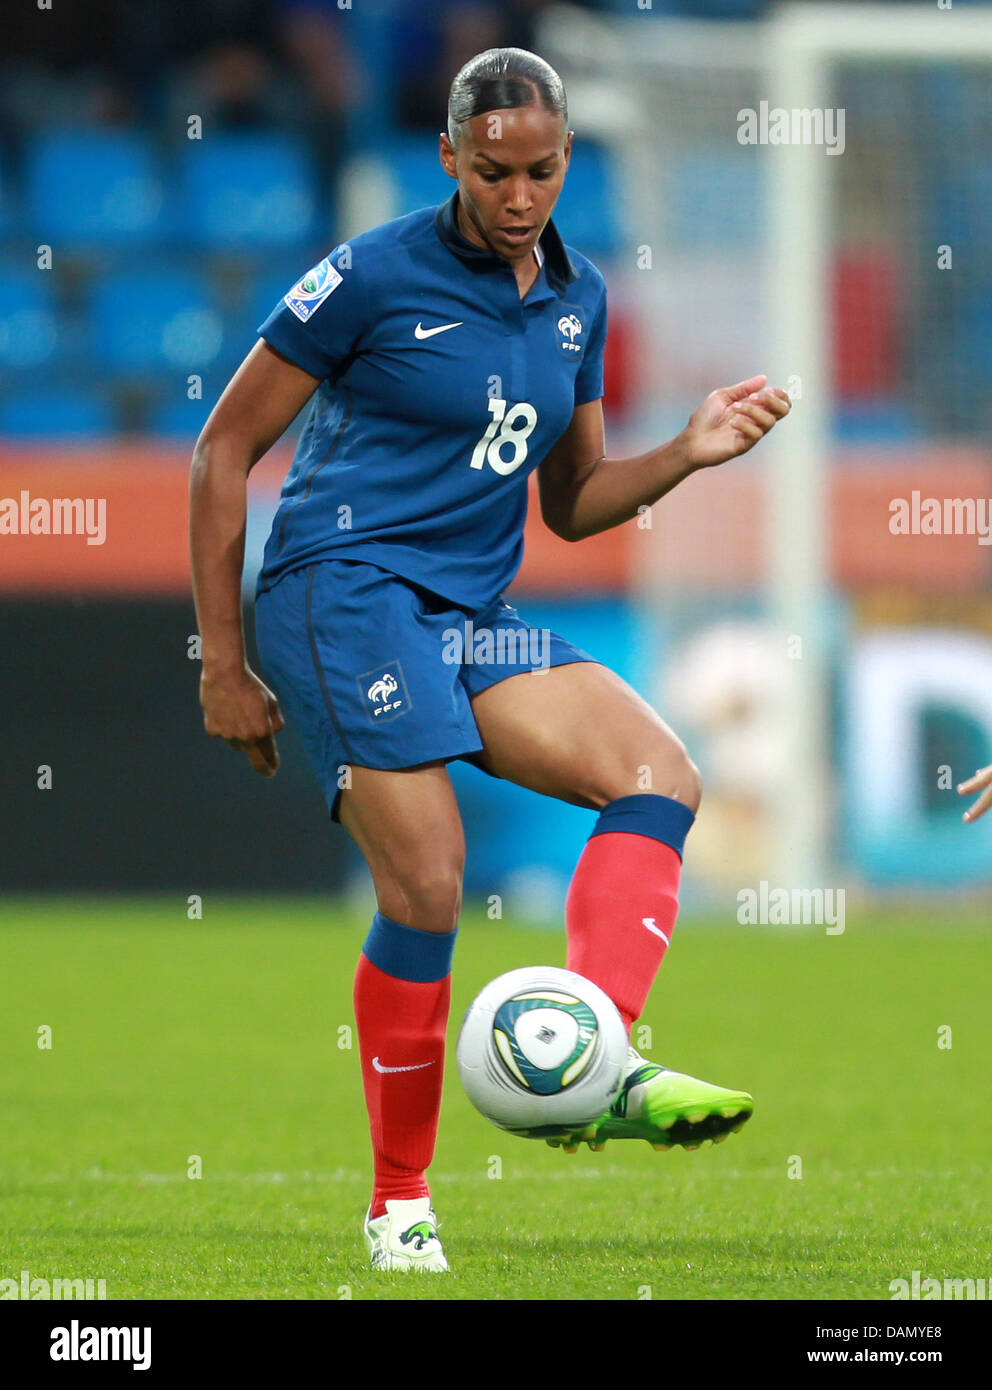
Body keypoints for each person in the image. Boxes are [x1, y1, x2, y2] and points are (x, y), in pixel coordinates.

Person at [189, 47, 792, 1274]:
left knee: (658, 773)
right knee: (427, 882)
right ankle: (398, 1202)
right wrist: (220, 660)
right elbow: (220, 450)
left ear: (568, 159)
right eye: (494, 171)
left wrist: (685, 449)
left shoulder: (576, 296)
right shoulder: (369, 274)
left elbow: (570, 502)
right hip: (340, 592)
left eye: (542, 171)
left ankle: (596, 1056)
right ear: (453, 159)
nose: (519, 196)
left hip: (470, 612)